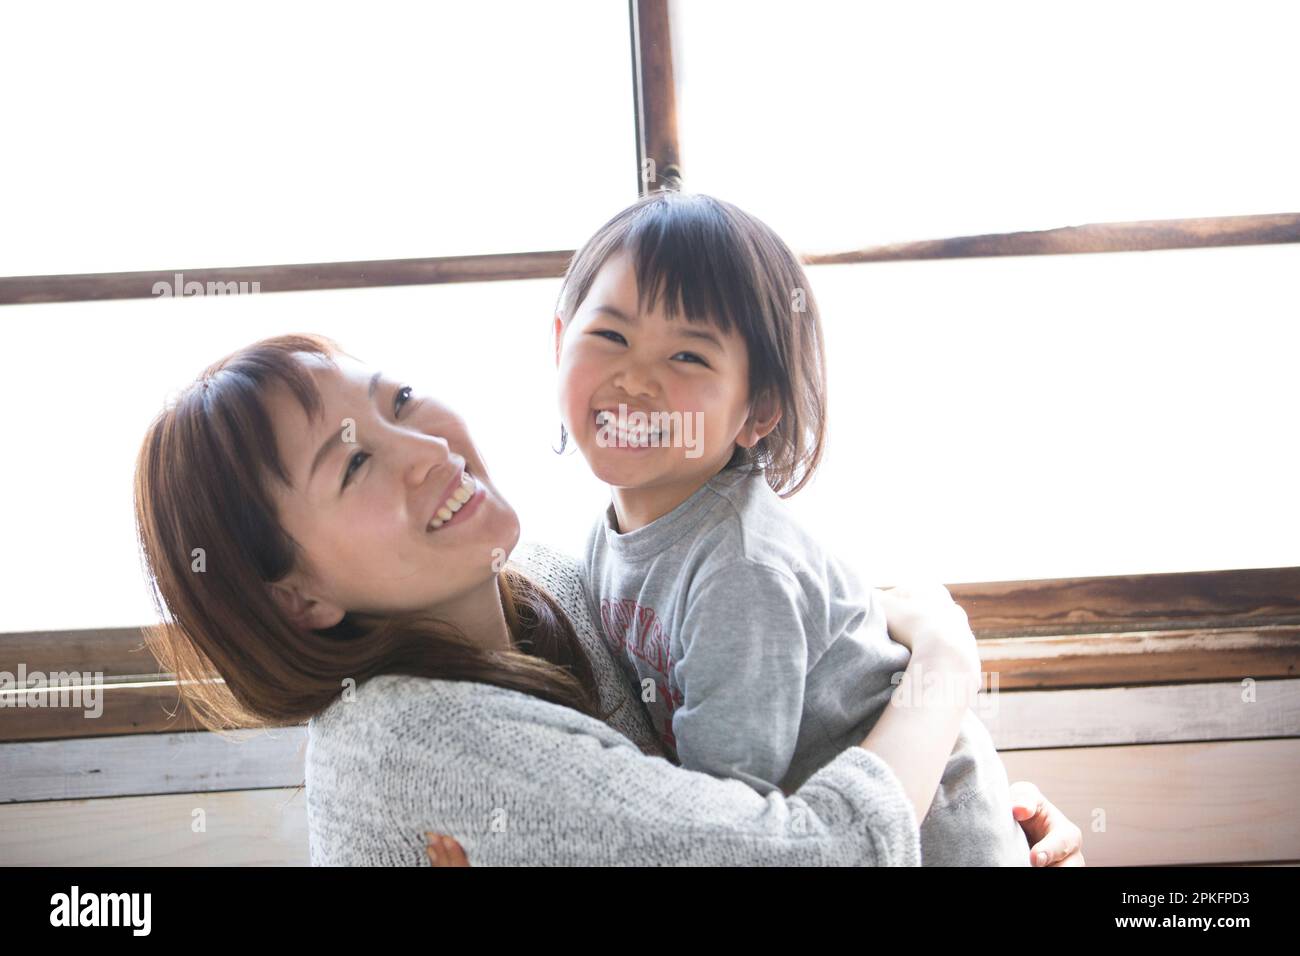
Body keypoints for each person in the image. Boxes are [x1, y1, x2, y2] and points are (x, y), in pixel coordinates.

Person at [133, 332, 1083, 865]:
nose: (429, 449)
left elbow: (760, 733)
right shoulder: (405, 743)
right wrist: (946, 672)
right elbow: (809, 861)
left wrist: (961, 813)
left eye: (401, 397)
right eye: (353, 463)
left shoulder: (548, 580)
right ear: (296, 599)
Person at [553, 192, 1027, 864]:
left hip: (931, 842)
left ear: (759, 410)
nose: (635, 380)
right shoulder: (604, 534)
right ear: (559, 338)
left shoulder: (740, 571)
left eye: (687, 356)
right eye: (610, 336)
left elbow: (727, 823)